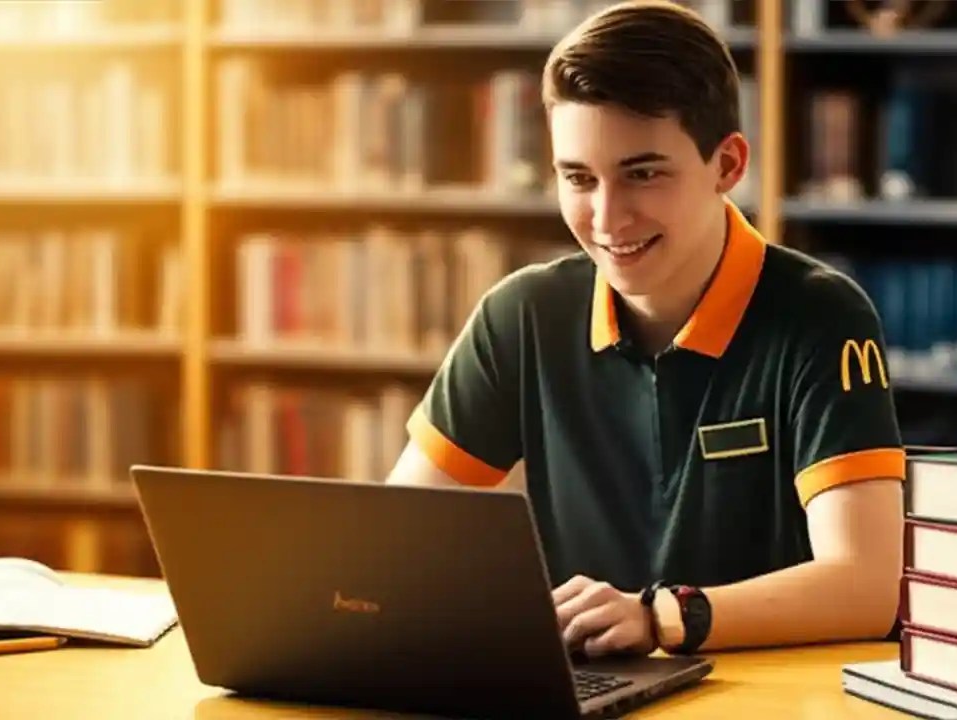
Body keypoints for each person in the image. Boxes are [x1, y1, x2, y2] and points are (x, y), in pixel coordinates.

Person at [387, 0, 904, 660]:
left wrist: (662, 617)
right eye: (578, 178)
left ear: (728, 165)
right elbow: (394, 547)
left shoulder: (823, 317)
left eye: (643, 174)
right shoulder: (521, 315)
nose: (607, 218)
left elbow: (866, 586)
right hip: (585, 695)